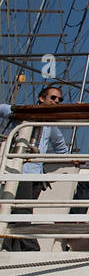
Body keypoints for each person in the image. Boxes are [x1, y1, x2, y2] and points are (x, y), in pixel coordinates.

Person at [0, 85, 70, 250]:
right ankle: (27, 248)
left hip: (33, 176)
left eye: (60, 100)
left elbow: (62, 149)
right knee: (17, 213)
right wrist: (18, 111)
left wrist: (43, 162)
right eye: (53, 98)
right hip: (16, 171)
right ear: (41, 98)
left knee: (19, 213)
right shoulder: (23, 116)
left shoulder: (50, 126)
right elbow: (3, 109)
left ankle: (17, 249)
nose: (57, 102)